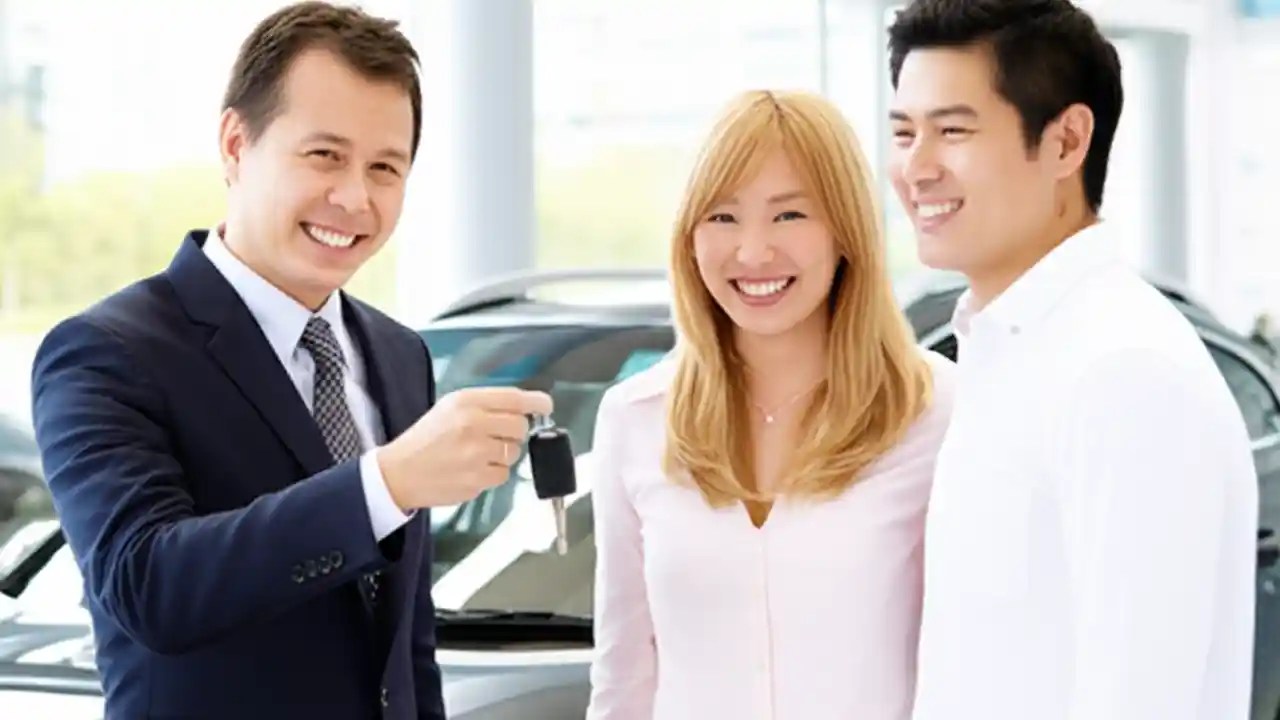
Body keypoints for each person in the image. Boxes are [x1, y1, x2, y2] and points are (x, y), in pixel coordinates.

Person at [28, 3, 551, 718]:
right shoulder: (107, 352)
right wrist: (385, 483)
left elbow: (406, 647)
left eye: (385, 168)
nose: (355, 198)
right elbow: (146, 586)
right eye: (324, 156)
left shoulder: (400, 355)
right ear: (235, 145)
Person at [885, 1, 1258, 718]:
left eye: (953, 131)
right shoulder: (1012, 351)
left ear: (1066, 142)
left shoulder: (1123, 371)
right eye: (904, 133)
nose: (915, 169)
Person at [585, 89, 955, 720]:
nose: (753, 252)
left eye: (789, 215)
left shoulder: (936, 411)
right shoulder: (636, 418)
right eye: (723, 217)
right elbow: (623, 675)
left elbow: (973, 659)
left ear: (845, 231)